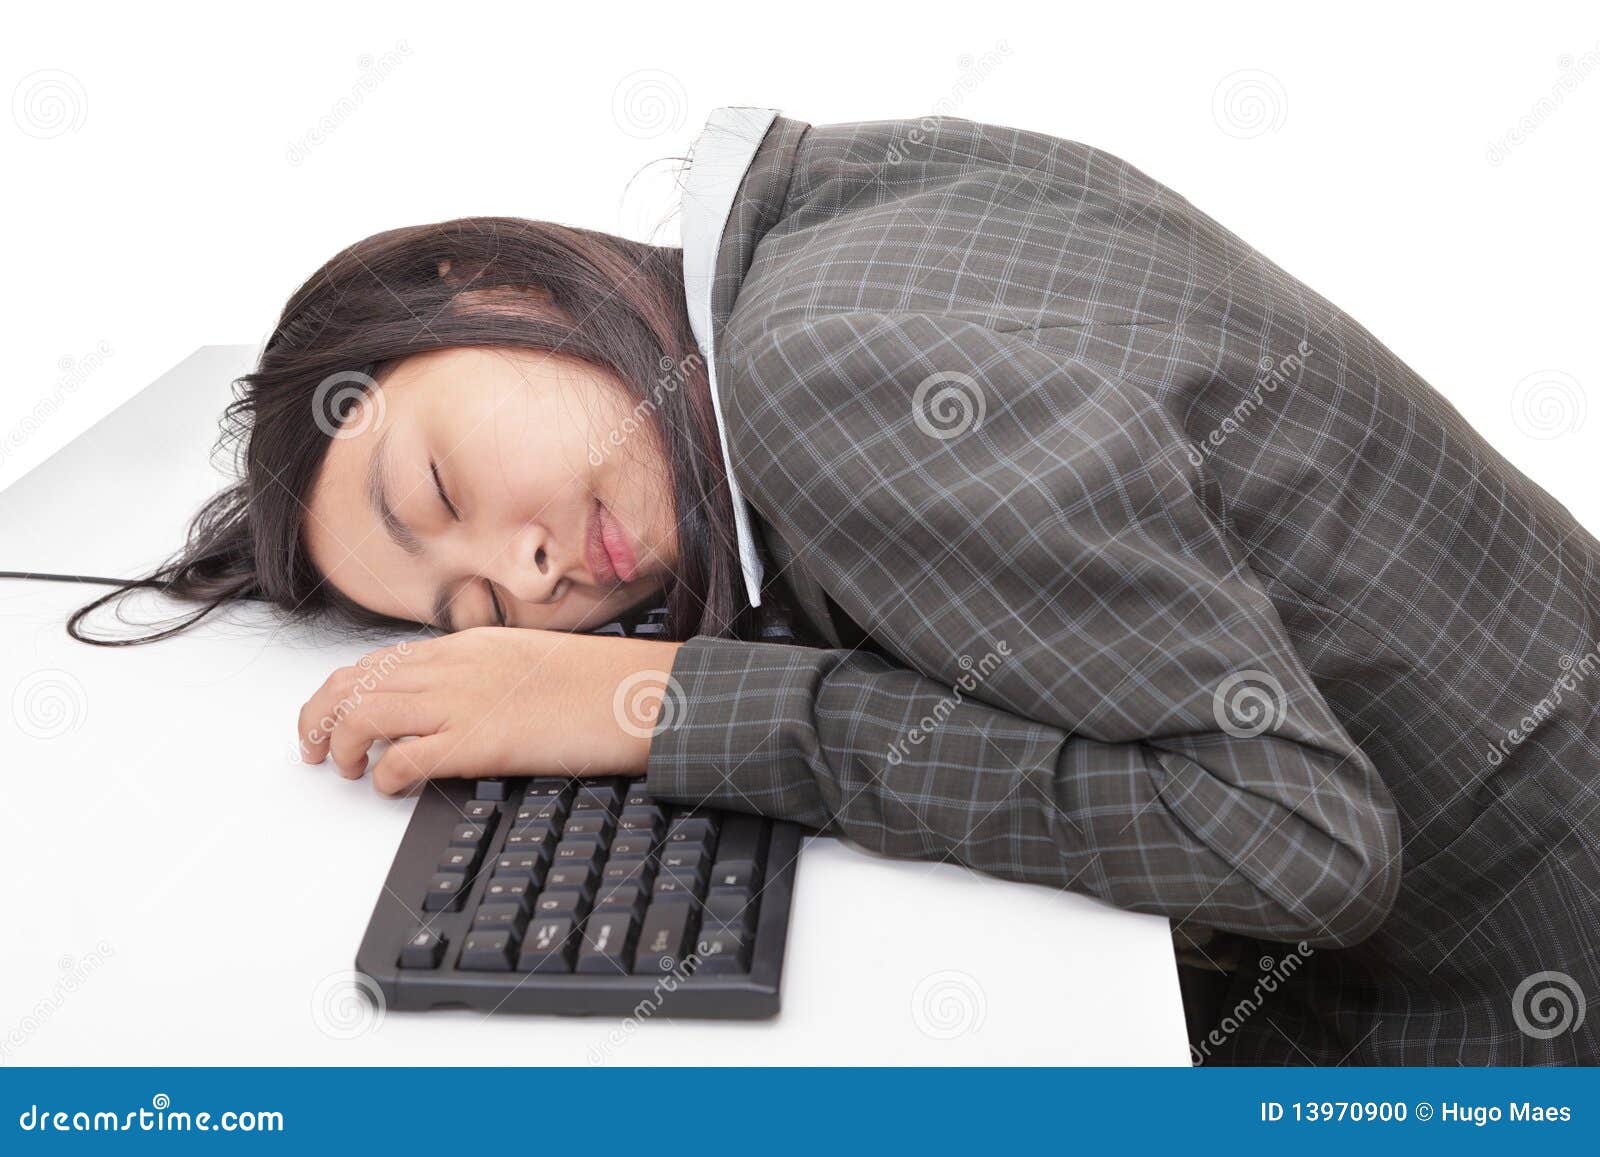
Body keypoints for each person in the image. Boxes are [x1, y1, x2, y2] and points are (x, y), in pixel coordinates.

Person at [73, 107, 1600, 1066]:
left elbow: (1298, 845)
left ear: (503, 292)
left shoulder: (818, 382)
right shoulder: (830, 219)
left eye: (445, 493)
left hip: (1506, 1007)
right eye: (480, 613)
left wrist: (662, 698)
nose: (530, 574)